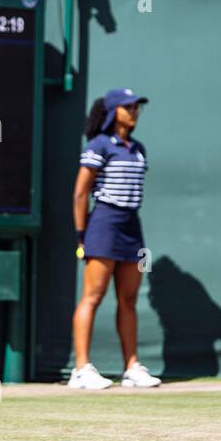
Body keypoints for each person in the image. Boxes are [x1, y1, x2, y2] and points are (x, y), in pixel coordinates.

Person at [68, 88, 162, 391]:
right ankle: (80, 369)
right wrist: (81, 235)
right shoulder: (98, 145)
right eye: (128, 107)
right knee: (93, 296)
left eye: (136, 107)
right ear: (112, 112)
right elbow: (81, 193)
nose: (134, 112)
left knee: (129, 299)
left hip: (132, 226)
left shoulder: (138, 148)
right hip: (104, 223)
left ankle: (131, 368)